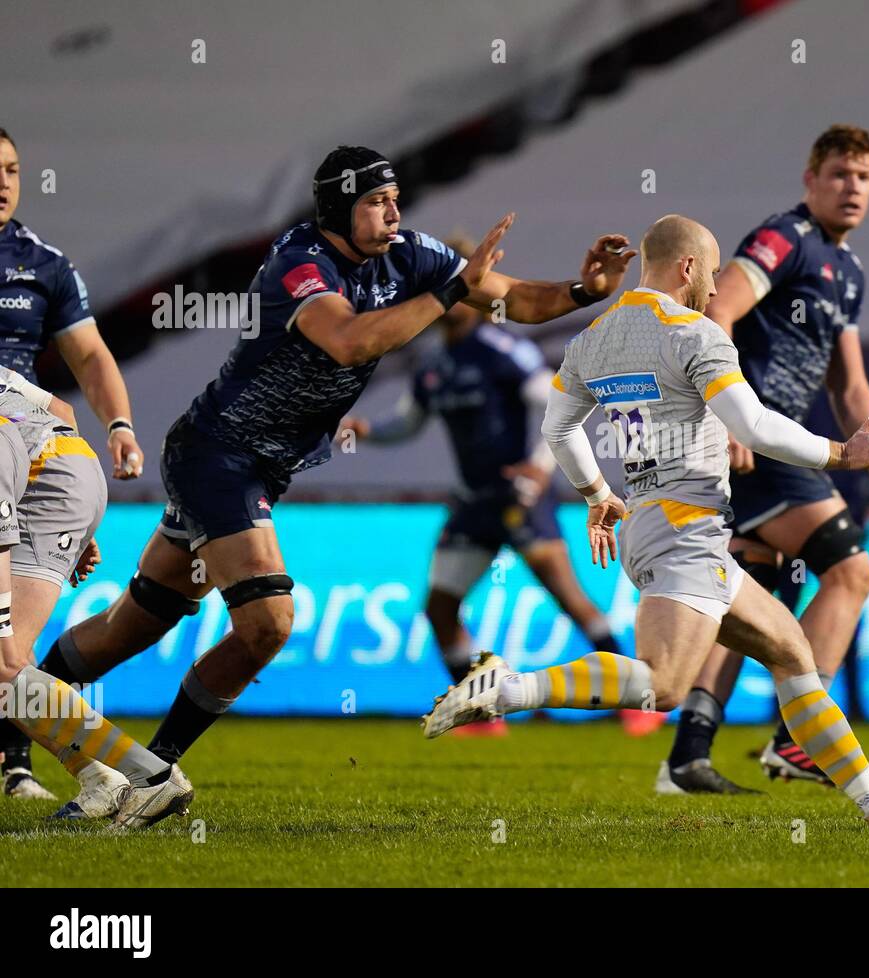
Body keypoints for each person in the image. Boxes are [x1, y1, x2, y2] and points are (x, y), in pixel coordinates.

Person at [34, 146, 635, 784]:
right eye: (376, 203)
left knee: (129, 627)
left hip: (257, 470)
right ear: (336, 211)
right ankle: (155, 774)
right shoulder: (299, 262)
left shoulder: (410, 256)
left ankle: (14, 722)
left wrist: (581, 290)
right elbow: (350, 342)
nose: (393, 215)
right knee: (268, 624)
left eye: (395, 199)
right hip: (218, 454)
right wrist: (452, 291)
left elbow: (511, 298)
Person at [423, 214, 869, 830]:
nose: (716, 288)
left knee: (792, 652)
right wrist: (839, 453)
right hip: (686, 529)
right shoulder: (694, 333)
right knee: (663, 686)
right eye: (713, 272)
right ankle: (510, 689)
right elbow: (753, 427)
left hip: (652, 525)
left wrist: (596, 493)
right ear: (688, 267)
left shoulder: (596, 335)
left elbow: (557, 428)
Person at [654, 125, 869, 793]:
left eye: (864, 177)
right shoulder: (785, 238)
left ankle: (686, 759)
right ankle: (801, 739)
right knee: (850, 572)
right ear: (810, 181)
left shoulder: (849, 272)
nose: (852, 187)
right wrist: (726, 412)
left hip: (770, 442)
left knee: (758, 589)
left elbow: (848, 386)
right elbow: (716, 312)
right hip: (752, 435)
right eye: (840, 173)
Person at [341, 237, 659, 737]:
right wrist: (368, 432)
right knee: (439, 607)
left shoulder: (502, 350)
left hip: (519, 500)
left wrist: (539, 467)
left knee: (569, 597)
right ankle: (479, 712)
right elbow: (409, 421)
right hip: (473, 503)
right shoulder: (434, 363)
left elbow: (559, 404)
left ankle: (638, 698)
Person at [0, 126, 146, 799]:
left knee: (6, 654)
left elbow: (87, 360)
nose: (4, 181)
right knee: (8, 656)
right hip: (36, 441)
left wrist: (116, 424)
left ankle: (118, 774)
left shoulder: (43, 262)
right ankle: (114, 776)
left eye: (12, 168)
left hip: (24, 446)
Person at [0, 367, 191, 828]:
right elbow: (61, 411)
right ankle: (101, 778)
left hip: (37, 486)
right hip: (65, 468)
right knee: (12, 665)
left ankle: (151, 776)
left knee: (3, 666)